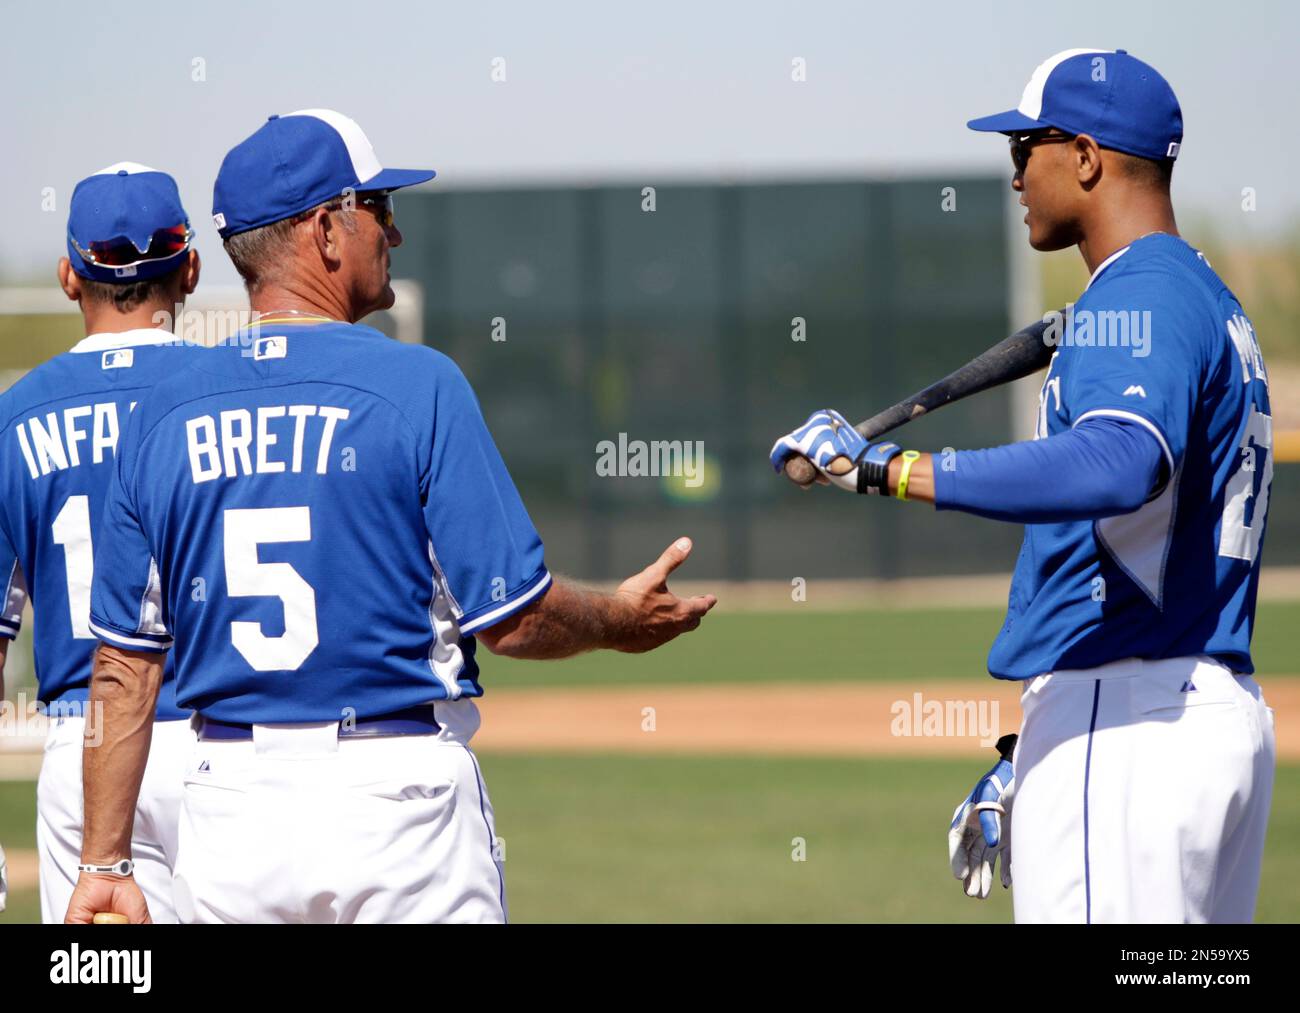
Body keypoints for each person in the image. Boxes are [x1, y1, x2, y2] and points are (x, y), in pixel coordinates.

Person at [63, 110, 716, 924]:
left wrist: (104, 859)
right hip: (397, 806)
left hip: (227, 814)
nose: (394, 233)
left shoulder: (161, 413)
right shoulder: (418, 386)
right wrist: (623, 616)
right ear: (323, 230)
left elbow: (123, 666)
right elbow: (513, 622)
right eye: (377, 207)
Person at [770, 50, 1274, 923]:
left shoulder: (1143, 296)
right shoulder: (1202, 296)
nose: (1012, 174)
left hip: (1128, 723)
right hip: (1193, 712)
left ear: (1084, 156)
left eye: (1023, 148)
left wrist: (889, 473)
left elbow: (1121, 461)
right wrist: (1029, 750)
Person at [0, 163, 201, 922]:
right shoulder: (226, 390)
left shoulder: (14, 417)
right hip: (232, 742)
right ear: (189, 272)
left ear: (67, 276)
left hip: (82, 748)